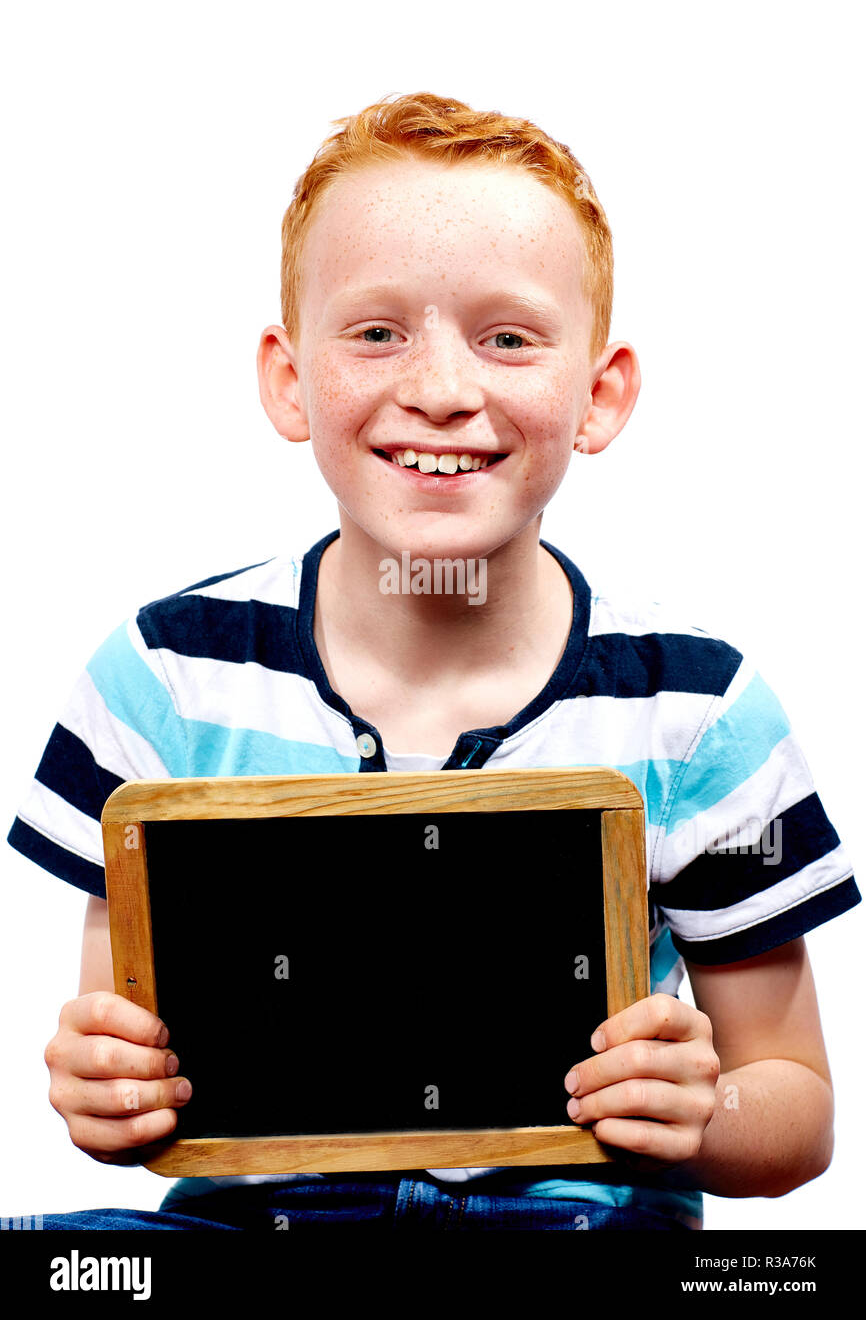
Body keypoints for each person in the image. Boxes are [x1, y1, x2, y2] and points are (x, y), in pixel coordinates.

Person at [6, 91, 860, 1232]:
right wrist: (108, 1094)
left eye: (506, 337)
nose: (442, 389)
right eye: (376, 333)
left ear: (597, 394)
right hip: (249, 1229)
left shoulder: (695, 710)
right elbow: (129, 1080)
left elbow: (794, 1111)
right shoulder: (163, 678)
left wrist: (703, 1114)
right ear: (288, 378)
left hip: (573, 1224)